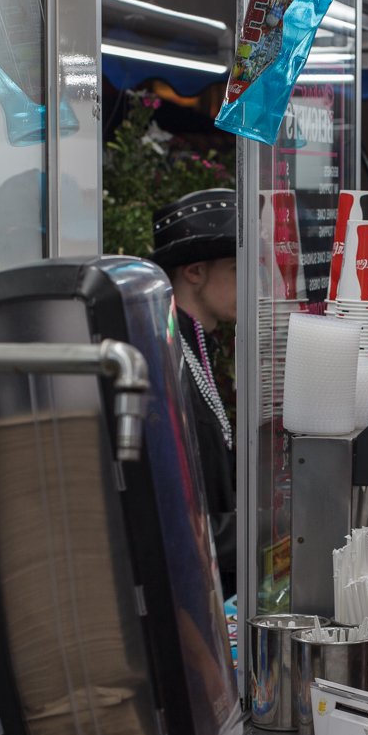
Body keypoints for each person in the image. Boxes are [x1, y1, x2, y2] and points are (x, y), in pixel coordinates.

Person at [150, 189, 238, 600]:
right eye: (238, 269)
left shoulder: (197, 344)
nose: (253, 283)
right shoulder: (165, 354)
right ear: (194, 271)